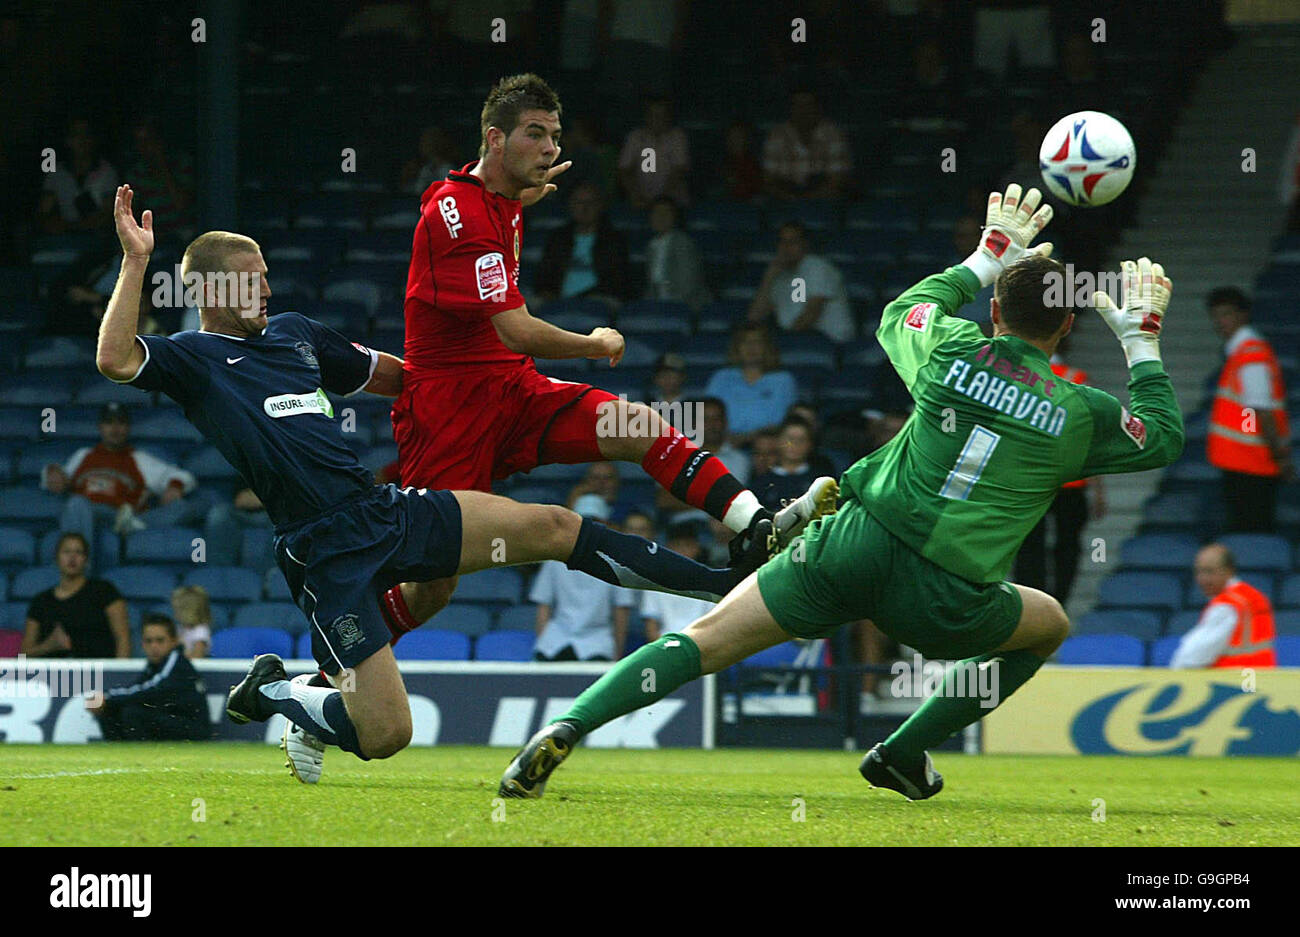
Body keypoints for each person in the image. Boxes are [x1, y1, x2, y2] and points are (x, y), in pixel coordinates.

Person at [498, 184, 1185, 801]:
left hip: (854, 541)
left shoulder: (950, 349)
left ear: (995, 310)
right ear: (1066, 326)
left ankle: (568, 723)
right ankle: (902, 751)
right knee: (1049, 623)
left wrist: (985, 256)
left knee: (705, 637)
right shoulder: (1080, 411)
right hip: (944, 596)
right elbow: (1160, 436)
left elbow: (905, 312)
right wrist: (1141, 342)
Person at [95, 184, 783, 782]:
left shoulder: (297, 334)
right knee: (387, 733)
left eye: (268, 273)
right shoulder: (194, 359)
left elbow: (401, 374)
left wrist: (473, 392)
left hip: (384, 510)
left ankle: (724, 585)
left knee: (550, 525)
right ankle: (279, 691)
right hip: (321, 552)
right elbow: (114, 357)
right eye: (253, 278)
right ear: (214, 291)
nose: (268, 288)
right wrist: (135, 261)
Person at [390, 74, 837, 634]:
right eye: (535, 134)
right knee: (433, 582)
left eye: (554, 135)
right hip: (448, 415)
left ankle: (754, 524)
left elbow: (484, 209)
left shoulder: (493, 195)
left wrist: (524, 192)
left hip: (511, 390)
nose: (552, 148)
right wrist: (595, 344)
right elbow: (517, 331)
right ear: (495, 139)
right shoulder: (464, 216)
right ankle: (333, 665)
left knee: (636, 424)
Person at [43, 401, 202, 553]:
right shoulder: (83, 455)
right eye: (109, 423)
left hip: (118, 515)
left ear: (128, 428)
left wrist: (174, 486)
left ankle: (133, 524)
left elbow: (181, 475)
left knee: (184, 506)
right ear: (100, 427)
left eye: (121, 423)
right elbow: (54, 479)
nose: (115, 428)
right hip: (86, 514)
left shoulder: (139, 458)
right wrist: (52, 473)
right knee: (75, 504)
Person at [1013, 346, 1106, 604]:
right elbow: (1092, 437)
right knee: (1068, 546)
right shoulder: (1077, 379)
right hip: (1072, 479)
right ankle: (1059, 602)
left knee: (1028, 545)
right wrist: (1098, 488)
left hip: (1030, 481)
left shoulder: (1015, 379)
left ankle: (1032, 605)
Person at [1205, 287, 1292, 532]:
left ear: (1243, 315)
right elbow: (1251, 414)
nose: (1220, 322)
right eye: (1216, 315)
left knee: (1251, 532)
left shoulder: (1251, 354)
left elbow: (1259, 410)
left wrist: (1280, 457)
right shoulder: (1242, 353)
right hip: (1244, 463)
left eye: (1227, 314)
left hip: (1252, 467)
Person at [530, 495, 638, 661]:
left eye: (594, 522)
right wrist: (543, 642)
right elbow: (544, 606)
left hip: (596, 643)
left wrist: (617, 654)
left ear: (605, 524)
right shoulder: (554, 560)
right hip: (555, 641)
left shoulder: (618, 564)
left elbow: (621, 612)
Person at [86, 613, 211, 741]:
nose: (154, 646)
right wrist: (108, 701)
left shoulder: (176, 663)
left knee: (132, 713)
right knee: (111, 710)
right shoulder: (154, 666)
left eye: (160, 640)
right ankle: (119, 755)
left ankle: (141, 756)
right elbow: (138, 688)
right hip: (169, 720)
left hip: (192, 730)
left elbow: (151, 690)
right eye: (148, 641)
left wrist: (107, 697)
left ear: (174, 641)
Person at [21, 531, 129, 658]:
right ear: (57, 558)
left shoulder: (104, 591)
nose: (72, 557)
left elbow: (123, 640)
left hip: (98, 673)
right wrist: (48, 645)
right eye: (66, 552)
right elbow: (23, 655)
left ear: (86, 559)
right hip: (53, 675)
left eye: (78, 552)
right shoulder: (40, 602)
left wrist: (119, 674)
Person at [1170, 544, 1277, 668]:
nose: (1202, 579)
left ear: (1228, 571)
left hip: (1233, 681)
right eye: (1198, 571)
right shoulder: (1254, 596)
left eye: (1209, 571)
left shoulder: (1226, 606)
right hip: (1262, 681)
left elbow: (1193, 657)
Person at [748, 221, 853, 342]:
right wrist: (768, 278)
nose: (786, 247)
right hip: (797, 342)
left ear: (805, 244)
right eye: (782, 242)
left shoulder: (817, 266)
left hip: (831, 341)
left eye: (793, 242)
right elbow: (754, 318)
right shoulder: (778, 276)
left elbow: (812, 312)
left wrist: (788, 341)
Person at [535, 181, 632, 304]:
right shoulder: (558, 238)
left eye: (590, 202)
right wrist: (548, 293)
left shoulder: (614, 240)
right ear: (570, 206)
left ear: (600, 206)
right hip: (557, 298)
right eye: (579, 203)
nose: (584, 208)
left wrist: (585, 297)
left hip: (601, 299)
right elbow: (545, 274)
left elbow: (617, 280)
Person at [703, 324, 797, 444]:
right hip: (725, 445)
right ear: (737, 348)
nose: (751, 347)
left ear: (767, 348)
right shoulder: (721, 377)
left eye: (757, 342)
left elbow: (787, 422)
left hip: (770, 446)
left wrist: (747, 438)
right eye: (745, 342)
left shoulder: (783, 381)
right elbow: (706, 416)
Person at [761, 89, 851, 200]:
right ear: (791, 109)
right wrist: (788, 197)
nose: (802, 111)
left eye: (807, 105)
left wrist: (810, 197)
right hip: (784, 201)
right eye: (797, 105)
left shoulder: (833, 134)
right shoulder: (776, 135)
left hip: (823, 201)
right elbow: (768, 180)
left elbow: (838, 180)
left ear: (817, 108)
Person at [640, 524, 717, 642]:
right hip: (664, 645)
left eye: (687, 546)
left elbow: (714, 624)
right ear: (668, 548)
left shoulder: (711, 580)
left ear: (696, 548)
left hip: (701, 644)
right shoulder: (653, 581)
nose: (682, 551)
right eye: (677, 546)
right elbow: (651, 629)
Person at [618, 97, 690, 208]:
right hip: (641, 201)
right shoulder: (635, 136)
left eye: (661, 115)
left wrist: (660, 200)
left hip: (672, 202)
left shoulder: (677, 136)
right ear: (646, 116)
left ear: (668, 117)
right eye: (652, 114)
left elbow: (679, 171)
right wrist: (636, 195)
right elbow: (624, 170)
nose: (656, 119)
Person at [644, 197, 710, 310]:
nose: (661, 217)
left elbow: (688, 284)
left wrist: (669, 306)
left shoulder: (683, 243)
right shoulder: (651, 246)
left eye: (666, 213)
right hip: (660, 303)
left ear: (674, 217)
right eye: (657, 213)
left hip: (686, 304)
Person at [170, 584, 212, 659]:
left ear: (190, 611)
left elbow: (197, 657)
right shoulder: (180, 629)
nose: (175, 613)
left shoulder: (200, 631)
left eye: (178, 609)